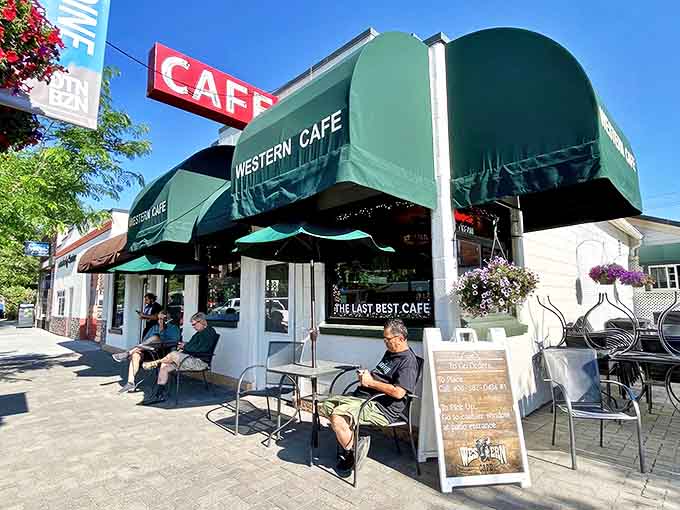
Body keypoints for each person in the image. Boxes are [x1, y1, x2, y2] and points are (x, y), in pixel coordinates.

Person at [319, 318, 418, 476]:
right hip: (365, 397)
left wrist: (370, 383)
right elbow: (382, 376)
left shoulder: (408, 362)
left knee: (337, 417)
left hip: (381, 407)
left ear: (400, 338)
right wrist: (367, 375)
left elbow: (399, 392)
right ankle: (356, 441)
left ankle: (351, 453)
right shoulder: (391, 353)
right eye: (384, 339)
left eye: (388, 339)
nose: (385, 342)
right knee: (326, 405)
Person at [140, 312, 218, 405]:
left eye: (194, 324)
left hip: (199, 362)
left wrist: (185, 347)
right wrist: (185, 345)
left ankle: (154, 363)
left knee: (173, 354)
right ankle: (159, 395)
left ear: (201, 322)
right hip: (189, 359)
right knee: (165, 366)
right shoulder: (200, 333)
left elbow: (202, 349)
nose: (193, 326)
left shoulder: (209, 332)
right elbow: (194, 346)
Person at [112, 310, 181, 393]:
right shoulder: (154, 327)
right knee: (136, 355)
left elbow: (175, 341)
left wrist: (162, 331)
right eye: (159, 319)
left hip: (163, 352)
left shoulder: (173, 328)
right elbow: (144, 341)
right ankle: (130, 382)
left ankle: (128, 353)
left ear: (168, 319)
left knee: (155, 337)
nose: (160, 321)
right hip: (149, 351)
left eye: (163, 319)